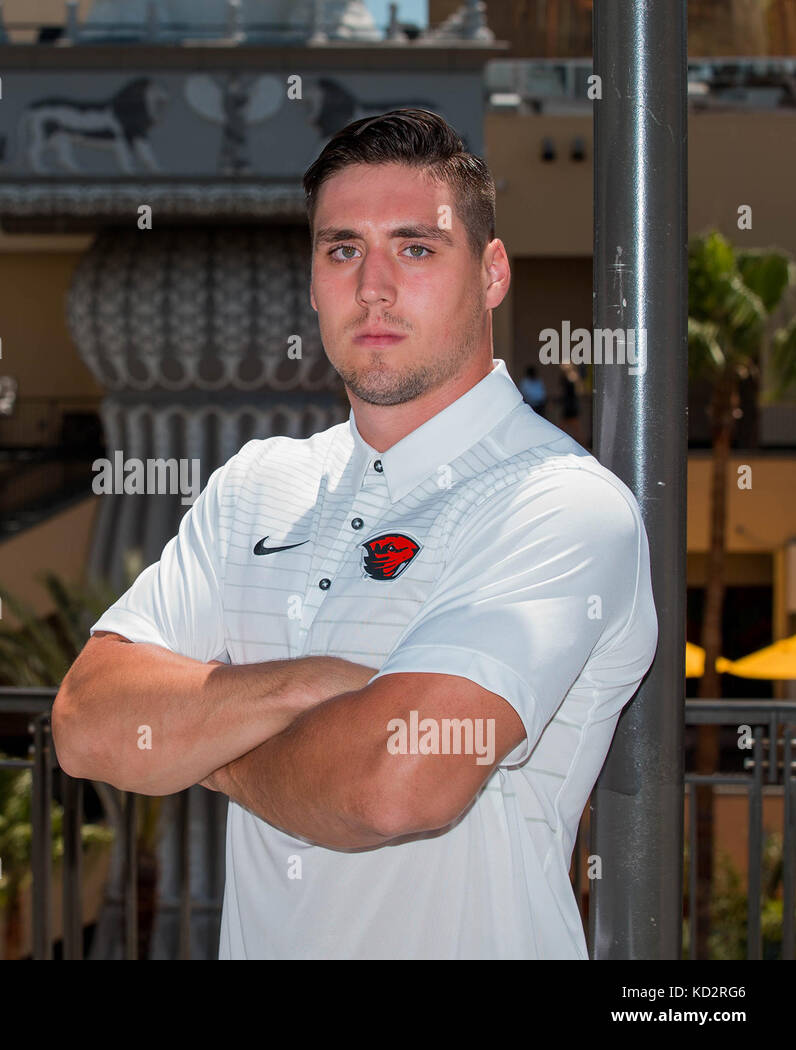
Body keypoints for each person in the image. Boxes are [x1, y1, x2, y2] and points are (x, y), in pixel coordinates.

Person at [52, 109, 657, 959]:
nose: (373, 286)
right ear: (312, 280)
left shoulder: (556, 503)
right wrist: (311, 688)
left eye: (415, 247)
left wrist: (203, 742)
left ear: (490, 273)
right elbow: (86, 723)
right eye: (343, 250)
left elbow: (399, 784)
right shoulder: (257, 485)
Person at [560, 361, 583, 442]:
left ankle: (580, 443)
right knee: (566, 425)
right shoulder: (565, 376)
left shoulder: (573, 376)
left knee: (574, 426)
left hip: (572, 404)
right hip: (568, 403)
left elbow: (579, 390)